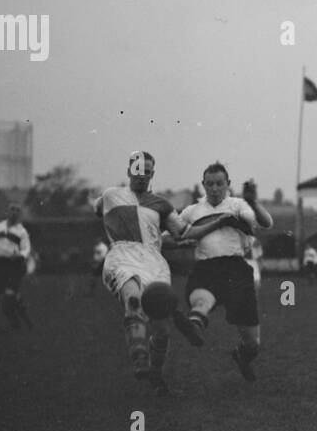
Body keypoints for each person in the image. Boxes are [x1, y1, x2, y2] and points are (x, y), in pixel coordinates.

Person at [93, 151, 201, 396]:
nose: (142, 175)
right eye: (138, 170)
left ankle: (156, 372)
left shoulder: (162, 204)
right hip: (122, 256)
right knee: (133, 299)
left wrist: (216, 224)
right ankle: (139, 358)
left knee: (161, 329)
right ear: (130, 170)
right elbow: (97, 208)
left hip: (153, 261)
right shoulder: (111, 195)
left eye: (147, 171)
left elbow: (182, 233)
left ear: (153, 174)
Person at [179, 164, 273, 381]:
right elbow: (169, 235)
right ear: (203, 185)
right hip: (206, 267)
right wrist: (184, 237)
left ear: (228, 185)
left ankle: (242, 356)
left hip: (236, 269)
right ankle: (194, 324)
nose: (214, 188)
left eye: (219, 183)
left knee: (253, 344)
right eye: (209, 184)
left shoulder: (238, 205)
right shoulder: (192, 211)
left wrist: (253, 202)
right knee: (201, 303)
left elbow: (265, 223)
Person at [0, 201, 33, 330]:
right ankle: (23, 314)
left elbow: (26, 249)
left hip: (13, 266)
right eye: (12, 209)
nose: (14, 212)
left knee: (8, 297)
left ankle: (16, 323)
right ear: (8, 212)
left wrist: (20, 255)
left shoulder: (22, 232)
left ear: (20, 214)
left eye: (17, 210)